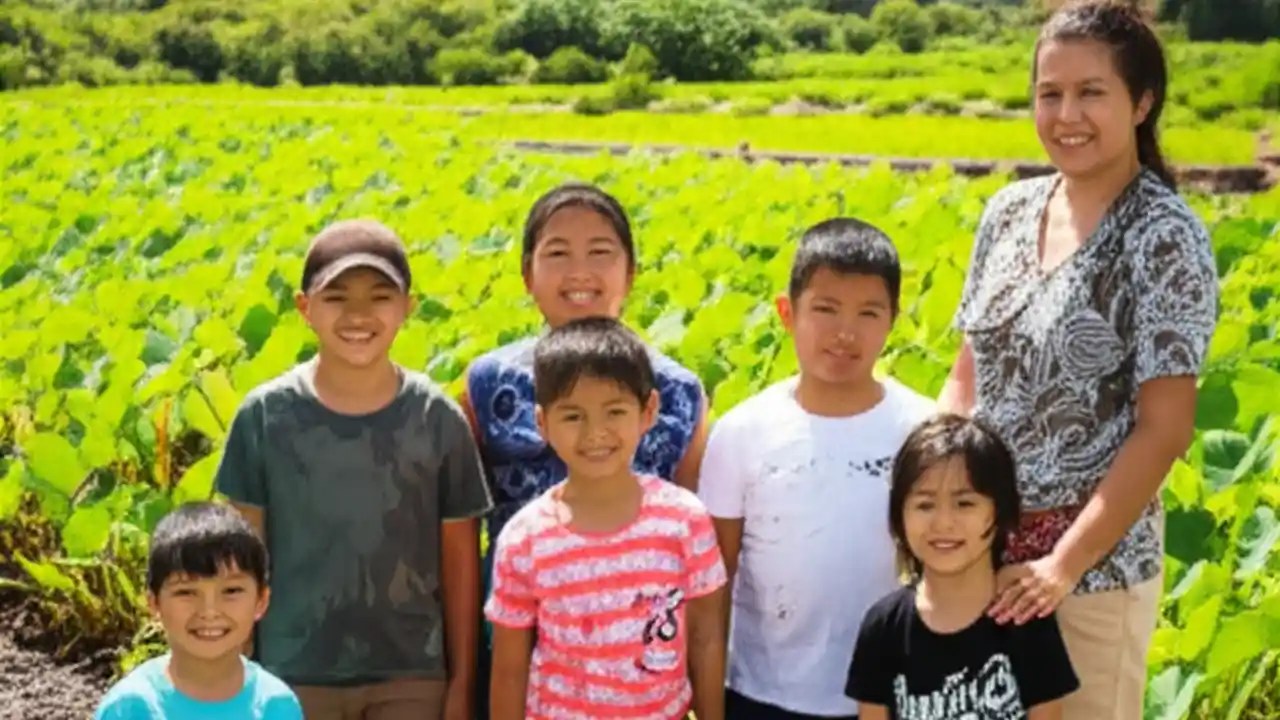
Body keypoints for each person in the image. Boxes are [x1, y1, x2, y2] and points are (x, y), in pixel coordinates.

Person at [936, 3, 1219, 718]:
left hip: (1091, 575)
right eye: (1049, 93)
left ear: (1142, 101)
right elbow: (967, 376)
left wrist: (1061, 567)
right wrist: (940, 505)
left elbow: (1166, 428)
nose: (1068, 114)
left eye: (1092, 92)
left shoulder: (1163, 235)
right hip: (980, 554)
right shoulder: (1008, 211)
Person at [215, 219, 493, 719]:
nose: (358, 315)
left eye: (380, 296)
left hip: (412, 674)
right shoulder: (263, 418)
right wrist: (238, 682)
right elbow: (240, 565)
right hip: (292, 672)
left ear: (409, 306)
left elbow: (460, 566)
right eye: (337, 297)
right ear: (305, 308)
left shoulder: (437, 421)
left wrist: (462, 685)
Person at [463, 182, 711, 714]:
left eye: (600, 252)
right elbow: (461, 531)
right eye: (558, 253)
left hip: (638, 664)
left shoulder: (680, 392)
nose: (580, 271)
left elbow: (693, 550)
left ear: (631, 273)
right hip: (515, 647)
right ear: (528, 275)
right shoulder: (485, 384)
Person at [698, 218, 936, 719]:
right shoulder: (742, 432)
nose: (845, 332)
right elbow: (712, 589)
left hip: (885, 698)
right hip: (759, 697)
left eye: (868, 313)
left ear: (893, 318)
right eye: (825, 309)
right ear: (788, 312)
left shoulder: (924, 429)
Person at [484, 317, 727, 720]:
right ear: (543, 423)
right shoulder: (525, 538)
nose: (596, 433)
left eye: (614, 411)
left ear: (648, 411)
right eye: (573, 416)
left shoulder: (684, 521)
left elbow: (705, 639)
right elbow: (509, 672)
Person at [845, 415, 1080, 719]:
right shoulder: (883, 628)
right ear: (898, 516)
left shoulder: (1024, 618)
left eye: (965, 503)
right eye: (925, 505)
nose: (943, 523)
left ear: (1001, 511)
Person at [94, 502, 304, 720]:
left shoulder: (277, 705)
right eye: (186, 592)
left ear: (261, 600)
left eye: (231, 591)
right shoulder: (130, 707)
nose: (209, 611)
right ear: (154, 603)